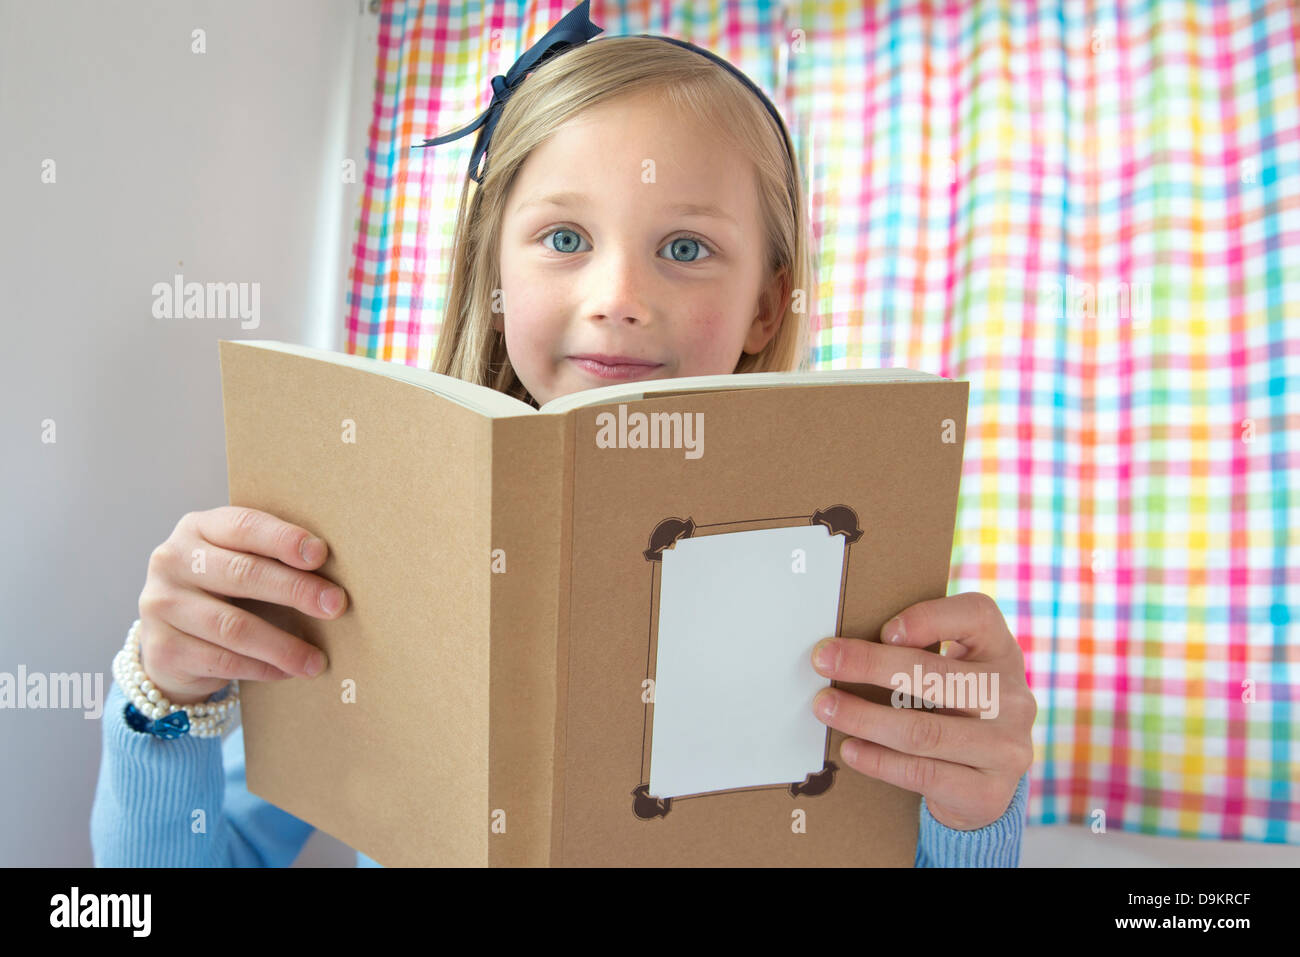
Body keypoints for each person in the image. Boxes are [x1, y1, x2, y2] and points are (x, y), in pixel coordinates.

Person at [92, 2, 1034, 868]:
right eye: (565, 238)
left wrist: (972, 811)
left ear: (765, 306)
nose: (619, 299)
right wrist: (164, 695)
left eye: (686, 248)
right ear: (491, 273)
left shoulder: (850, 570)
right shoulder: (364, 543)